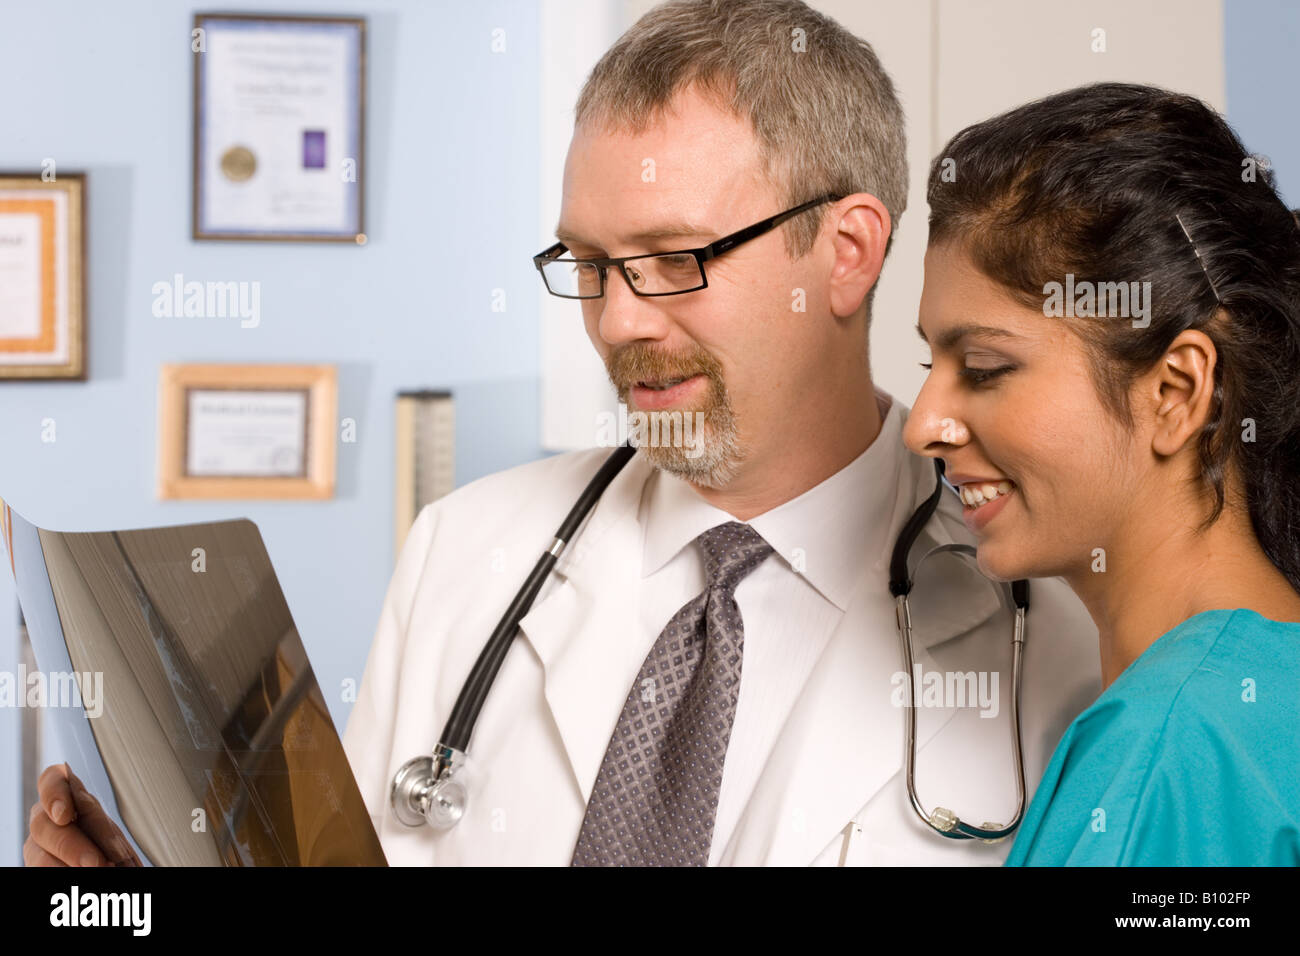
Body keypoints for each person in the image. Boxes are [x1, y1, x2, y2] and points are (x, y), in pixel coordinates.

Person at [25, 0, 1100, 868]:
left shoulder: (1054, 624)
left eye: (673, 257)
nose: (618, 319)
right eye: (585, 264)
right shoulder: (465, 550)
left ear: (848, 249)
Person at [904, 82, 1300, 866]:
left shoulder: (1168, 747)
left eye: (983, 367)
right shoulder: (1257, 699)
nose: (923, 425)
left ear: (1176, 392)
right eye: (930, 363)